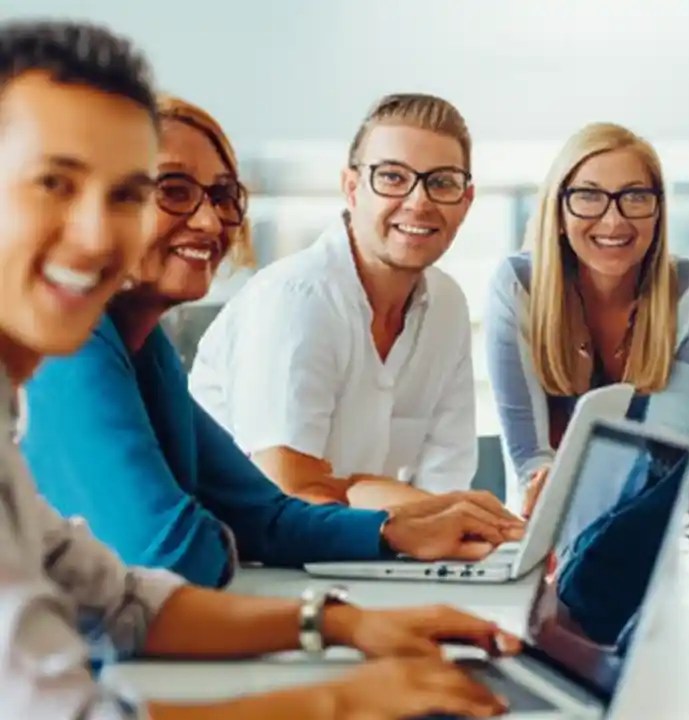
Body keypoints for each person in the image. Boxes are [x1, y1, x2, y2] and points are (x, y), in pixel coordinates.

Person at [0, 20, 515, 719]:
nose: (97, 233)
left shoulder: (131, 348)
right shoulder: (80, 350)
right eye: (54, 183)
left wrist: (345, 622)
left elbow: (137, 587)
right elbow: (174, 554)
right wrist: (337, 700)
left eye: (125, 194)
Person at [22, 93, 521, 588]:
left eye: (222, 197)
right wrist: (234, 529)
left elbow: (267, 517)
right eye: (172, 190)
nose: (208, 221)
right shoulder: (67, 341)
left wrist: (394, 529)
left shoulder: (147, 349)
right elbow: (174, 552)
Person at [190, 93, 483, 509]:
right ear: (351, 188)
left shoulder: (448, 305)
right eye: (393, 177)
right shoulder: (296, 300)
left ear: (466, 202)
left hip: (364, 559)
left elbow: (445, 493)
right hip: (245, 562)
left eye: (442, 183)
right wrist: (373, 494)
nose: (419, 202)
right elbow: (285, 494)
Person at [486, 122, 689, 514]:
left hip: (636, 523)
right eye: (588, 196)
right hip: (544, 525)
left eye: (634, 197)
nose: (613, 221)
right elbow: (533, 466)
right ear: (558, 213)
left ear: (658, 212)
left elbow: (664, 455)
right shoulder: (517, 286)